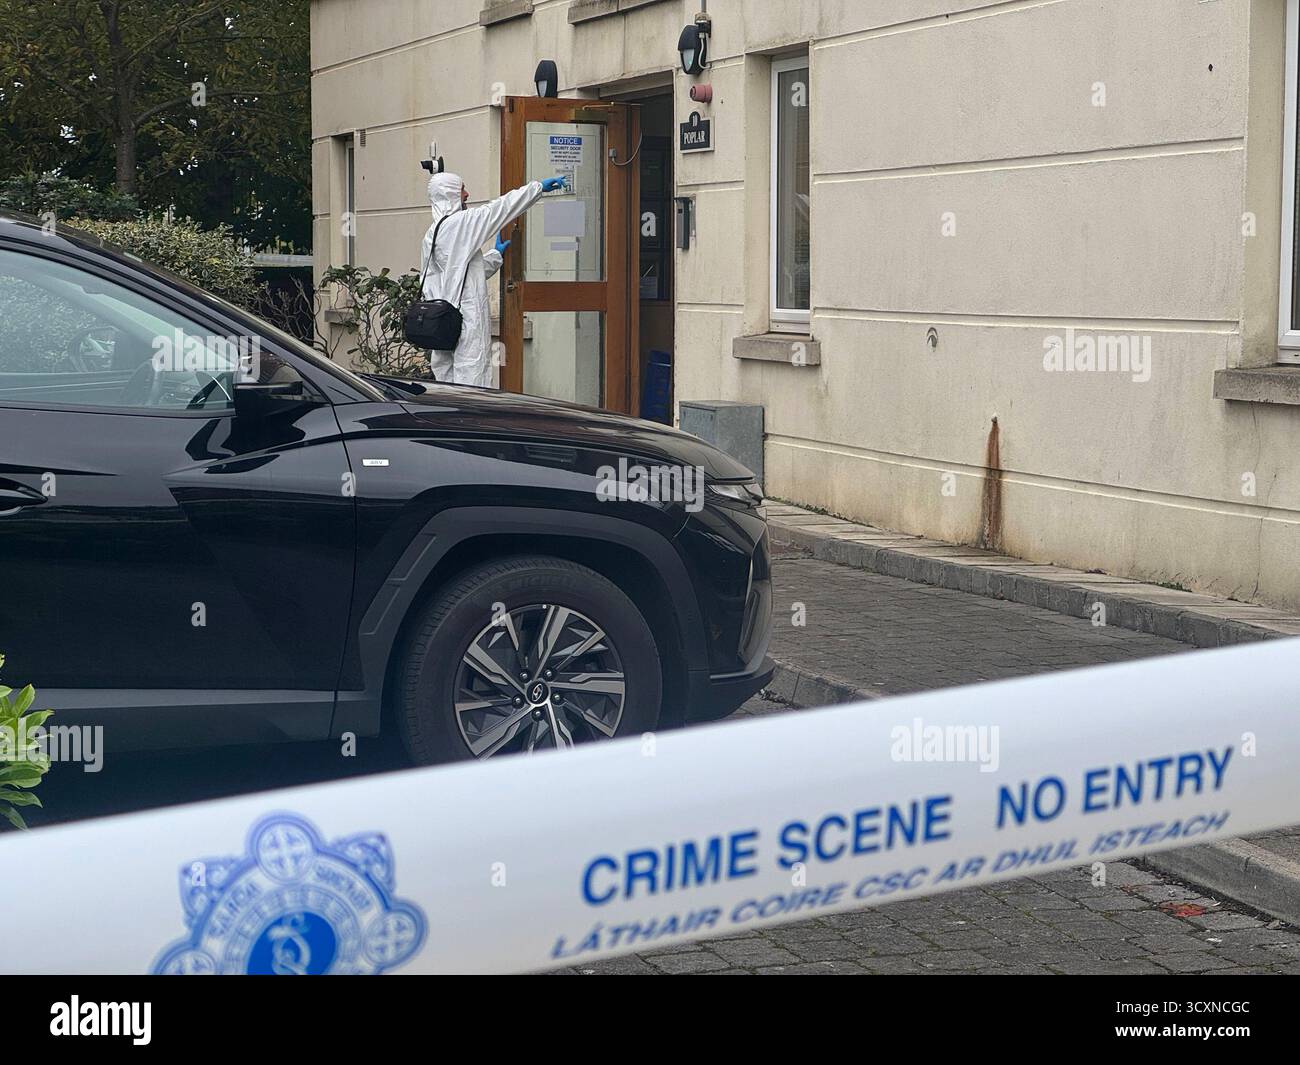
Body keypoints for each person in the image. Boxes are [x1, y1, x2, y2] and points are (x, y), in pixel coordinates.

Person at [421, 171, 568, 386]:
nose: (466, 194)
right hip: (466, 320)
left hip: (443, 322)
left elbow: (457, 273)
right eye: (462, 189)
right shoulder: (460, 224)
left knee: (446, 381)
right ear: (451, 193)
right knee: (472, 381)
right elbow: (500, 208)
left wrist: (494, 256)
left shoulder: (432, 233)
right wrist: (537, 188)